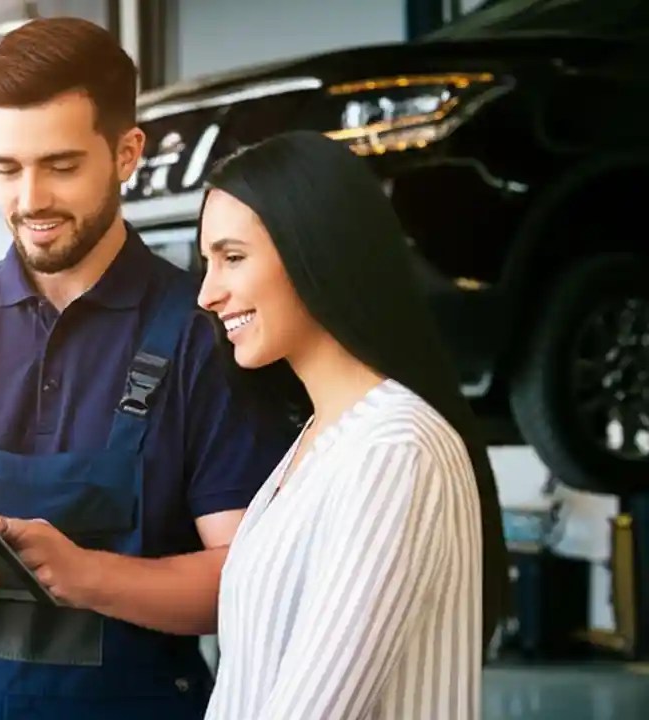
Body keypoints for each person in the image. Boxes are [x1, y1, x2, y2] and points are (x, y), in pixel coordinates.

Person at [0, 16, 294, 720]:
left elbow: (242, 584)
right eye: (7, 169)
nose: (31, 201)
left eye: (60, 166)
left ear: (126, 154)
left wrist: (86, 575)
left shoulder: (204, 337)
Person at [194, 130, 510, 720]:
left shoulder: (392, 450)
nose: (208, 293)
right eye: (206, 261)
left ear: (316, 248)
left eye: (232, 258)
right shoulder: (320, 440)